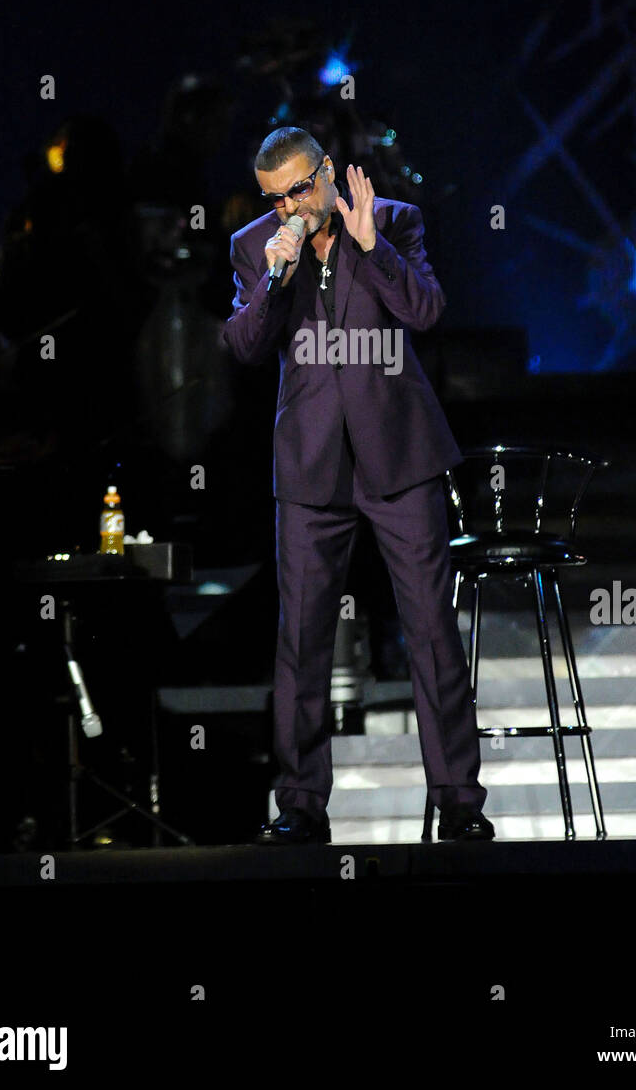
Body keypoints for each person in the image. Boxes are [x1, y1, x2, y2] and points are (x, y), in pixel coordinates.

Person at [223, 126, 493, 842]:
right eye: (276, 199)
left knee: (432, 629)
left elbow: (427, 313)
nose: (291, 209)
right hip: (311, 468)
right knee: (303, 637)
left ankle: (459, 800)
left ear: (328, 173)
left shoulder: (394, 222)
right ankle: (301, 805)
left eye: (301, 190)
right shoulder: (255, 246)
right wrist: (275, 281)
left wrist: (370, 247)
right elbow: (245, 348)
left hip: (400, 459)